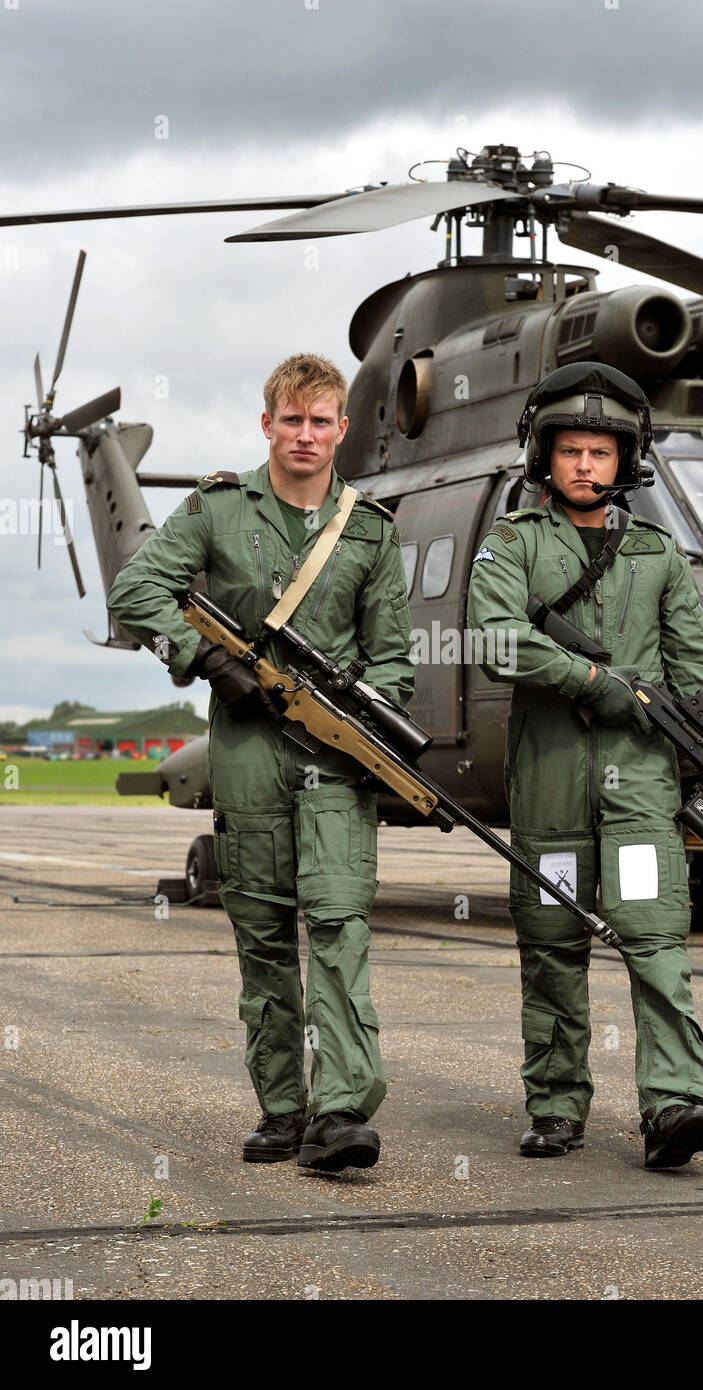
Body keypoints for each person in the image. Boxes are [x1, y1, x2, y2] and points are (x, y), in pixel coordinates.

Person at [107, 353, 414, 1172]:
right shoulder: (215, 511)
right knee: (264, 937)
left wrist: (368, 711)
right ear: (267, 424)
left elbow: (391, 660)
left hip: (337, 761)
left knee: (341, 925)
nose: (305, 435)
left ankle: (344, 1109)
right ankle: (284, 1110)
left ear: (342, 429)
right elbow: (134, 590)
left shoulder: (371, 530)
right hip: (246, 754)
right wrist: (205, 660)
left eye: (321, 421)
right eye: (292, 420)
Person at [466, 361, 703, 1168]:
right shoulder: (513, 545)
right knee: (553, 945)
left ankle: (674, 1105)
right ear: (547, 459)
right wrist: (594, 681)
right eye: (572, 451)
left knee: (656, 942)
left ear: (626, 461)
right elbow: (495, 639)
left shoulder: (658, 555)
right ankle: (557, 1107)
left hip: (639, 794)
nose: (586, 465)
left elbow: (696, 674)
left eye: (602, 451)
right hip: (551, 791)